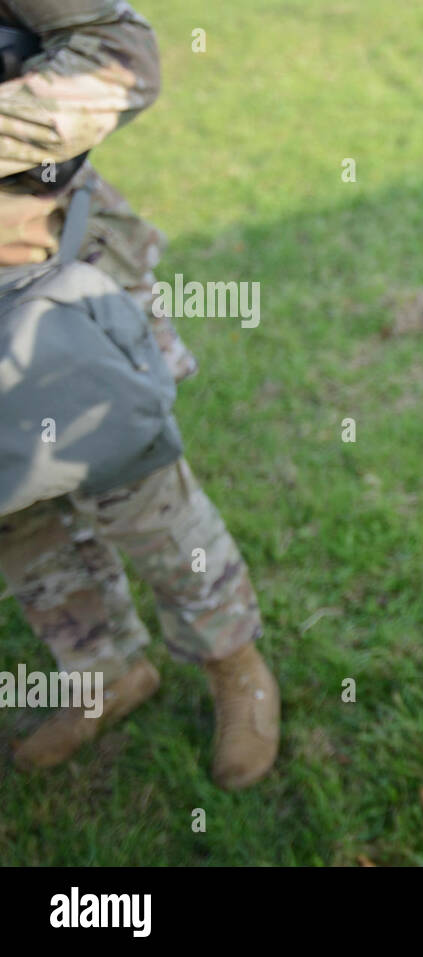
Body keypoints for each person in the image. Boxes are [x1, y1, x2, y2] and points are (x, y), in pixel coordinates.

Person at [0, 0, 278, 791]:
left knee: (140, 490)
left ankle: (237, 668)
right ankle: (102, 668)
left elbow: (119, 54)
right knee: (12, 503)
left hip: (47, 270)